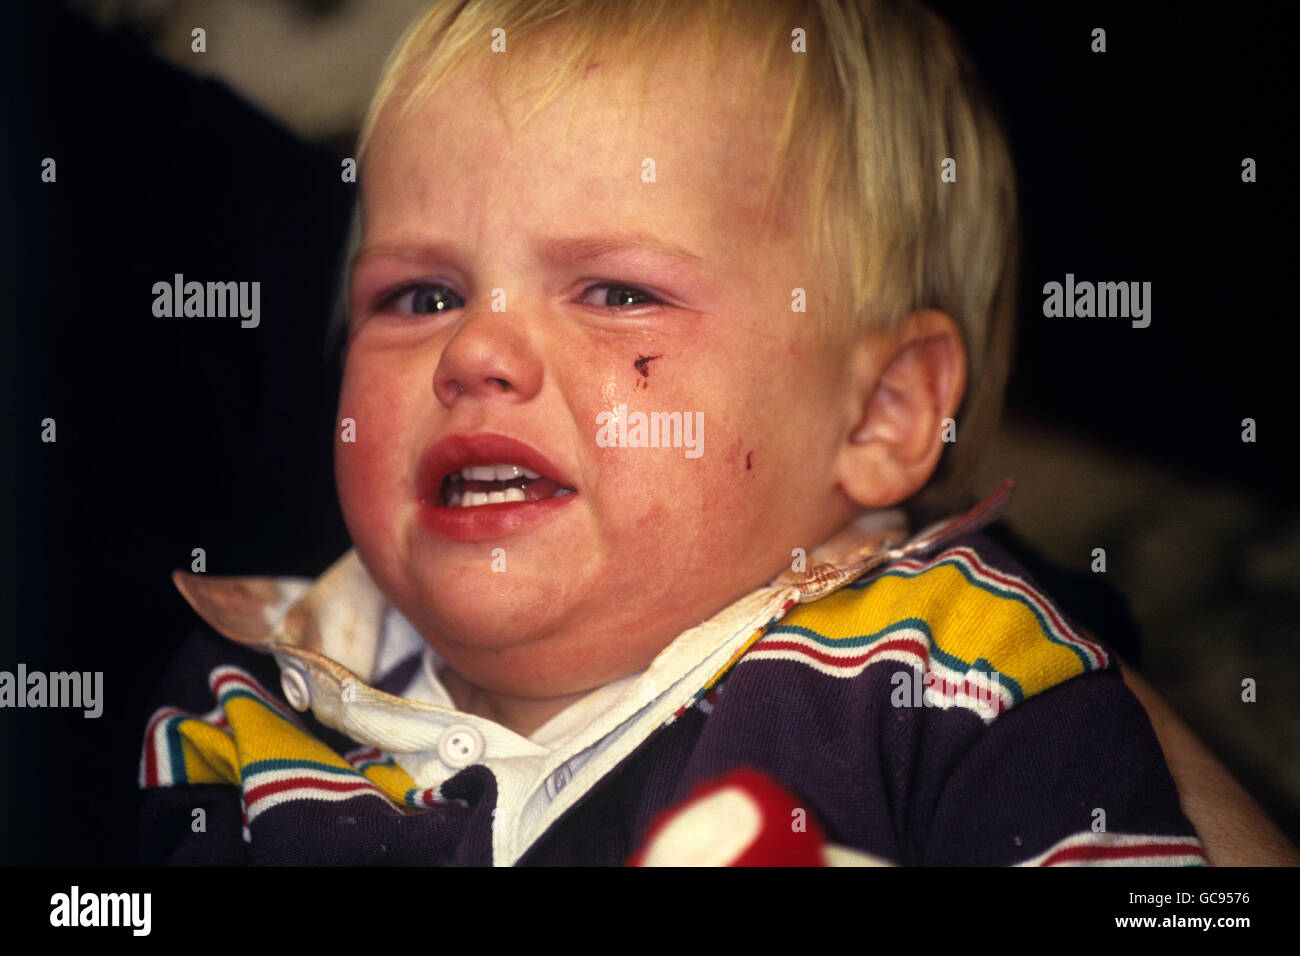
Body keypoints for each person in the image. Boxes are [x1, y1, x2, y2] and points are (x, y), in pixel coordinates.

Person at [137, 0, 1273, 866]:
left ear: (877, 415)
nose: (473, 351)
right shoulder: (243, 698)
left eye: (617, 293)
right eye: (418, 296)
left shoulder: (958, 674)